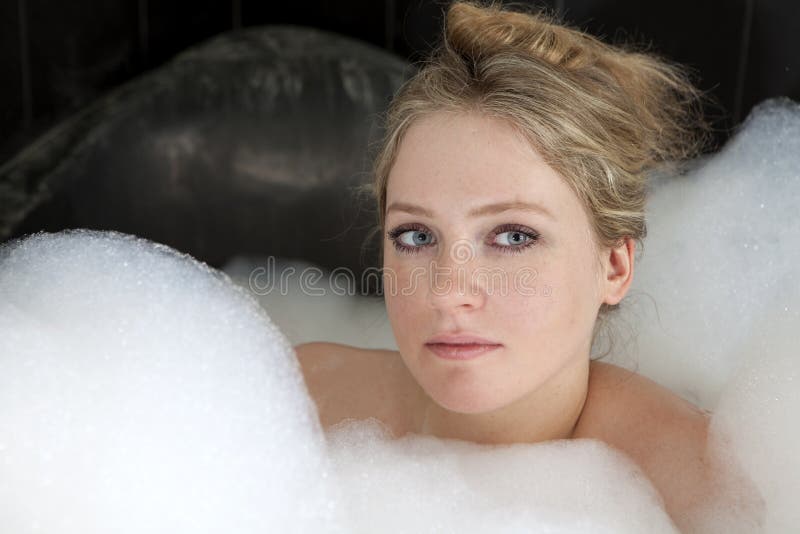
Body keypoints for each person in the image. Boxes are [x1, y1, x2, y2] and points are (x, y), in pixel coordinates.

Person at [295, 2, 762, 530]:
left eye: (513, 236)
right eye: (416, 235)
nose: (449, 291)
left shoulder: (710, 492)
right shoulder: (296, 398)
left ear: (613, 267)